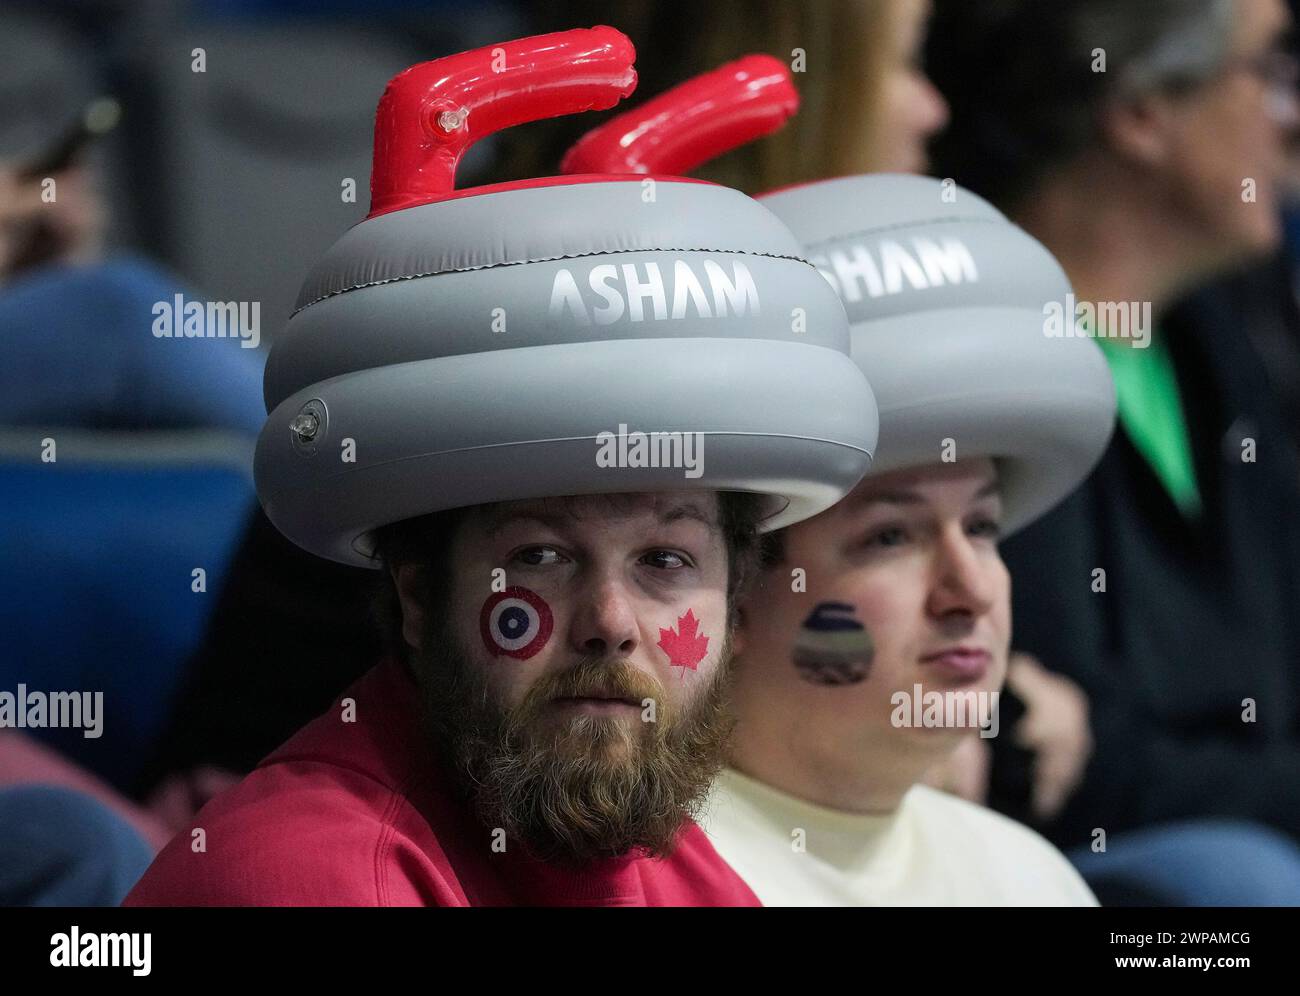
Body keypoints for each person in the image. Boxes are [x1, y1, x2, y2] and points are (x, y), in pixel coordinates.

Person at [123, 27, 879, 906]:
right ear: (415, 595)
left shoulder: (690, 881)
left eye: (665, 561)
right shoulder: (309, 879)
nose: (609, 623)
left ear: (738, 604)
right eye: (539, 557)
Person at [564, 70, 1115, 904]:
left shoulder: (1033, 878)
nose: (969, 591)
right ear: (730, 596)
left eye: (984, 528)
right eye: (890, 537)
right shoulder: (625, 879)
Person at [927, 0, 1300, 863]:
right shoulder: (992, 361)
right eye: (1270, 75)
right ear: (1140, 113)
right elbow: (1075, 761)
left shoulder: (1213, 341)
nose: (1291, 121)